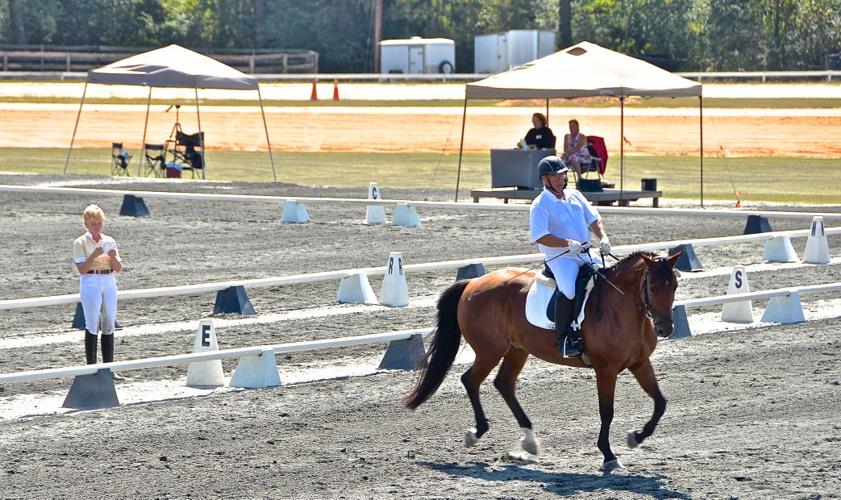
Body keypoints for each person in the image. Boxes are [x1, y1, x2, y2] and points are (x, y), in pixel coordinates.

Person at [529, 156, 611, 357]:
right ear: (544, 179)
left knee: (607, 278)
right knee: (569, 290)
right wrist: (566, 243)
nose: (560, 180)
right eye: (555, 176)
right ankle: (564, 338)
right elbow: (541, 236)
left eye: (562, 175)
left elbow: (594, 219)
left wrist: (603, 238)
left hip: (585, 252)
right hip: (561, 258)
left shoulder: (575, 195)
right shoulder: (540, 205)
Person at [73, 204, 122, 365]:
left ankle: (109, 367)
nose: (97, 227)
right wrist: (94, 255)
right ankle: (91, 367)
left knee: (109, 321)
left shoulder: (109, 241)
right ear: (86, 224)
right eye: (93, 224)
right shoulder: (80, 242)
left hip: (108, 280)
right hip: (91, 281)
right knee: (92, 323)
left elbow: (118, 268)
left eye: (99, 223)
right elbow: (82, 269)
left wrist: (113, 257)